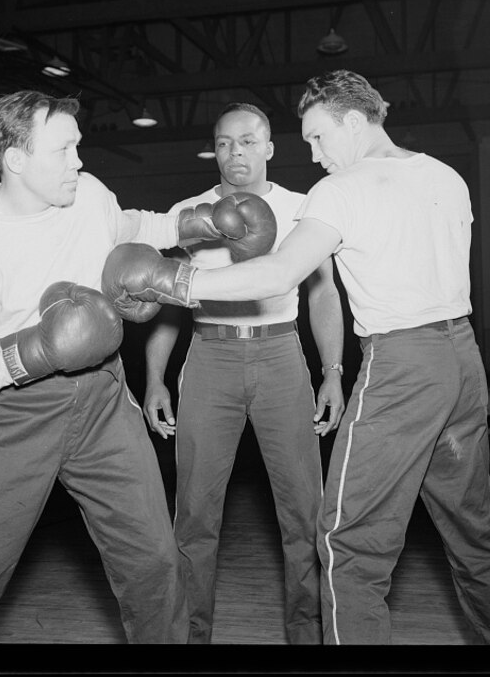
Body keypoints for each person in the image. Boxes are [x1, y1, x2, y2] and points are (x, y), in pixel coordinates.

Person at [103, 70, 490, 645]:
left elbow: (287, 274)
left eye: (317, 138)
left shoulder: (337, 192)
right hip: (459, 354)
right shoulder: (445, 176)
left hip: (395, 362)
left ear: (354, 123)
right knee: (476, 530)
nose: (314, 155)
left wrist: (171, 279)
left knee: (343, 541)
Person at [0, 89, 275, 644]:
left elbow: (126, 227)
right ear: (16, 159)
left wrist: (197, 224)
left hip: (103, 402)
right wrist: (40, 348)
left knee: (154, 564)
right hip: (17, 420)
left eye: (78, 146)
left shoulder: (87, 193)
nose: (79, 161)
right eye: (63, 151)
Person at [142, 102, 345, 645]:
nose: (236, 153)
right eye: (225, 142)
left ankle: (308, 640)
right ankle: (191, 641)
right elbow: (167, 302)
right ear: (215, 147)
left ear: (270, 148)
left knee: (304, 513)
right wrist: (156, 378)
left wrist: (333, 372)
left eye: (248, 142)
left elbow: (324, 292)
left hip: (282, 357)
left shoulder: (304, 209)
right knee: (195, 516)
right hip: (209, 358)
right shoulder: (188, 213)